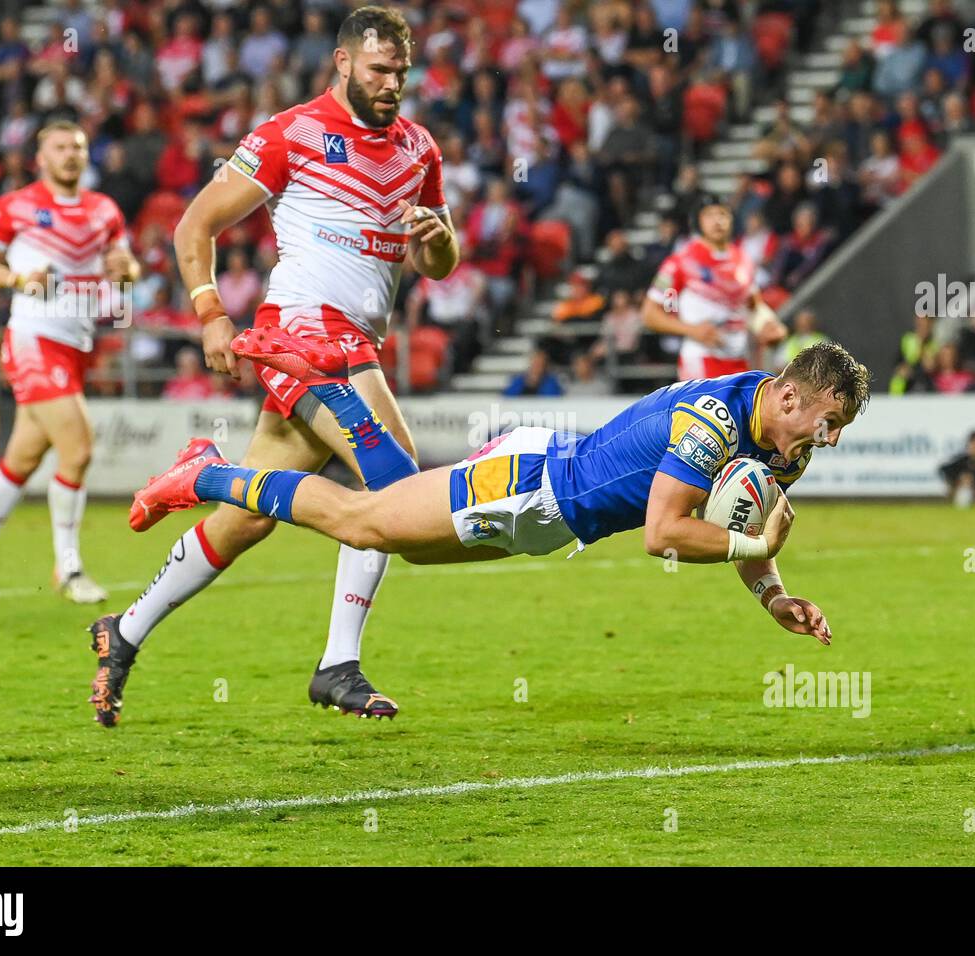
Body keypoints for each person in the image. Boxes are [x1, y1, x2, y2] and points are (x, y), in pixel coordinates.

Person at [122, 340, 870, 719]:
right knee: (360, 525)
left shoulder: (779, 439)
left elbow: (726, 519)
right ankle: (204, 472)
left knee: (396, 535)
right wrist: (761, 547)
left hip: (549, 508)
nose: (827, 441)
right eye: (828, 422)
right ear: (794, 395)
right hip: (530, 486)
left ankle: (335, 395)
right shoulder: (713, 423)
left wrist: (772, 592)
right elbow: (666, 533)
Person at [87, 6, 458, 728]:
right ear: (344, 64)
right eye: (380, 70)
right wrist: (210, 313)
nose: (393, 85)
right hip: (303, 331)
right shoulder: (292, 134)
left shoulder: (419, 149)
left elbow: (436, 266)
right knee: (394, 491)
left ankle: (122, 632)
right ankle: (337, 665)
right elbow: (195, 224)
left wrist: (439, 238)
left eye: (402, 74)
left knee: (250, 518)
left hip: (358, 343)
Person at [0, 120, 139, 605]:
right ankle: (70, 567)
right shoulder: (14, 207)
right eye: (60, 148)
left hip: (76, 343)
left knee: (23, 458)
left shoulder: (104, 210)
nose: (71, 155)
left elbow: (124, 266)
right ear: (41, 157)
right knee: (77, 448)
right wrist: (16, 278)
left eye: (77, 147)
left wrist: (129, 271)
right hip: (32, 337)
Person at [641, 194, 786, 381]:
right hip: (700, 359)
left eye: (723, 214)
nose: (717, 220)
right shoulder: (680, 262)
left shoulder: (743, 259)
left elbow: (754, 306)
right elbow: (649, 314)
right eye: (709, 215)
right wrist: (691, 330)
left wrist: (769, 325)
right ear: (697, 221)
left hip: (740, 360)